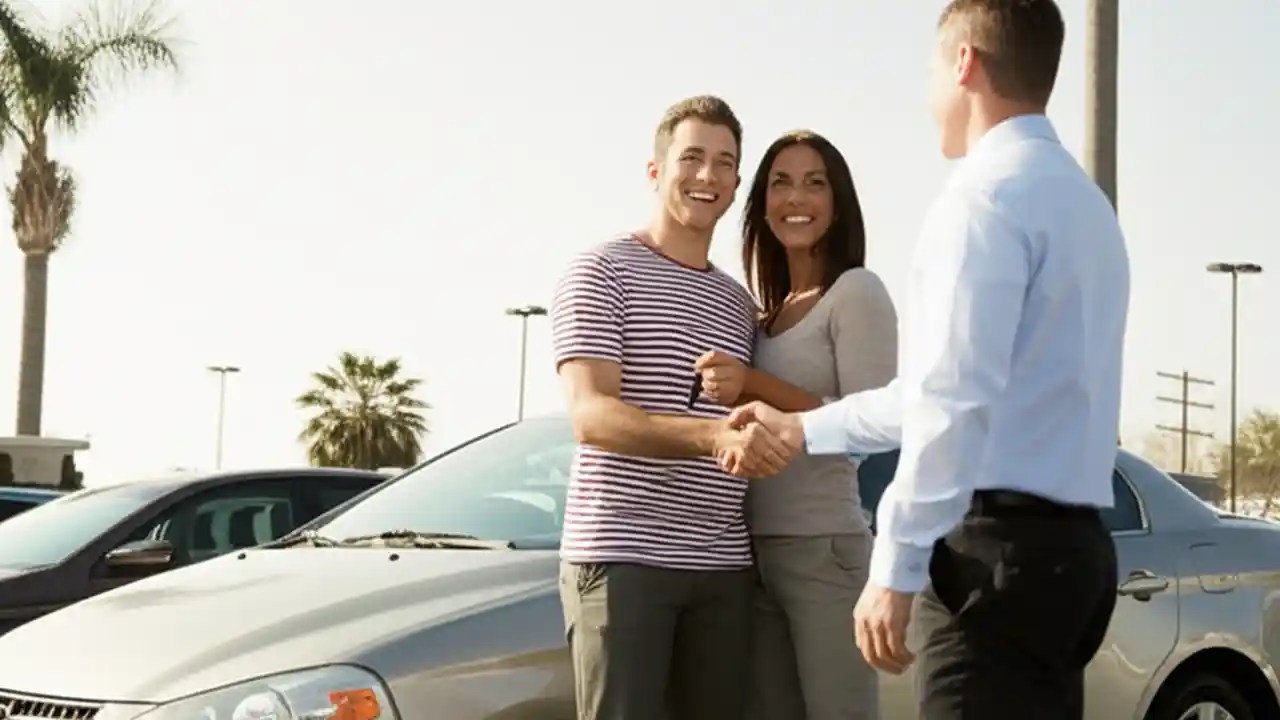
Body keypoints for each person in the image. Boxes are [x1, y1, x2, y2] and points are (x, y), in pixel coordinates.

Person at [725, 1, 1130, 718]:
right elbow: (933, 391)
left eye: (931, 69)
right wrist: (801, 430)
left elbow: (951, 401)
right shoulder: (1087, 205)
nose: (927, 92)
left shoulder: (981, 200)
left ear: (965, 63)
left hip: (990, 562)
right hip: (1074, 558)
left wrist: (896, 565)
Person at [549, 94, 791, 720]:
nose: (707, 176)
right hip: (623, 561)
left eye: (724, 163)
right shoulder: (601, 271)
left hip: (723, 570)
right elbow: (591, 416)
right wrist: (712, 438)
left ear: (737, 183)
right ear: (656, 172)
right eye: (692, 158)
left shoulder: (740, 306)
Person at [693, 129, 896, 720]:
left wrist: (753, 384)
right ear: (760, 204)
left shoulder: (856, 292)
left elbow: (874, 422)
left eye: (815, 183)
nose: (796, 197)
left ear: (838, 204)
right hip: (754, 553)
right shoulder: (768, 314)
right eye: (780, 182)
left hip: (822, 551)